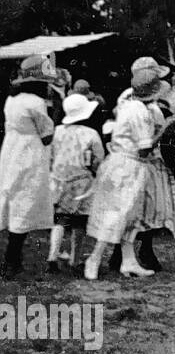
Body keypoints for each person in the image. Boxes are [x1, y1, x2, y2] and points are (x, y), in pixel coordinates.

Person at [83, 71, 167, 280]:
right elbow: (144, 149)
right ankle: (94, 259)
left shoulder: (129, 106)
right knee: (118, 214)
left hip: (121, 163)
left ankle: (128, 261)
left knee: (130, 215)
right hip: (128, 166)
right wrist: (164, 129)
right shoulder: (140, 113)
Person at [0, 56, 57, 278]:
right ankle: (12, 258)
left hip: (11, 150)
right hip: (30, 154)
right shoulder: (37, 103)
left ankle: (11, 258)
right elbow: (46, 136)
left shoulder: (12, 100)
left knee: (11, 194)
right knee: (26, 198)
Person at [46, 93, 105, 273]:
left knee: (60, 219)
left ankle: (52, 257)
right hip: (82, 182)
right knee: (79, 222)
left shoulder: (57, 131)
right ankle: (74, 260)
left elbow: (50, 156)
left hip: (59, 180)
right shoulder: (91, 134)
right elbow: (99, 159)